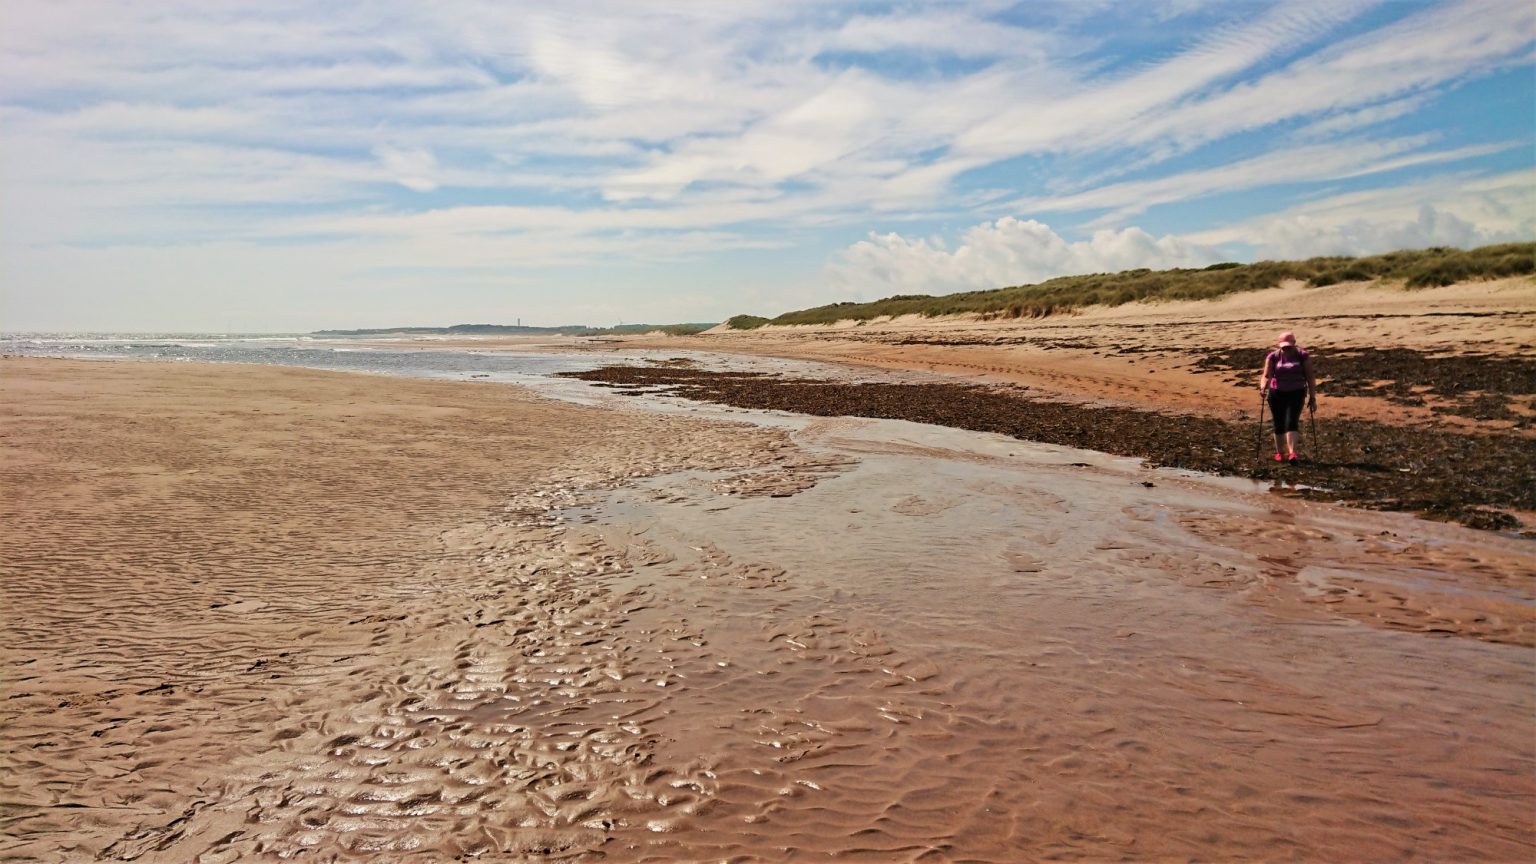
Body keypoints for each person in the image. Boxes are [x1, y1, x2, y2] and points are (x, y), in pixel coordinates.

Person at [1260, 331, 1317, 463]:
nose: (1286, 348)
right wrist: (1263, 387)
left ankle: (1292, 453)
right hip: (1277, 393)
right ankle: (1279, 453)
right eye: (1284, 346)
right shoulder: (1273, 357)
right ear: (1279, 345)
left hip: (1296, 392)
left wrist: (1312, 397)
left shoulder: (1302, 355)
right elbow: (1266, 376)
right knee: (1279, 424)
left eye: (1288, 346)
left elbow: (1310, 377)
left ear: (1294, 344)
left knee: (1292, 421)